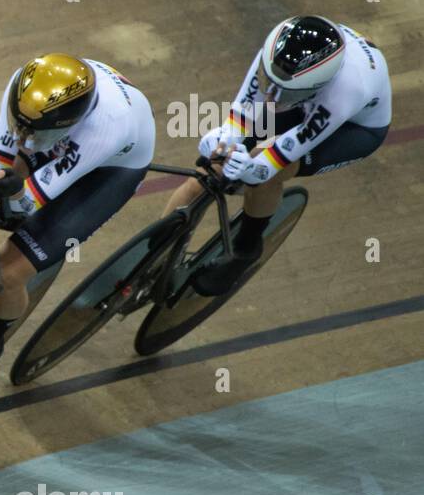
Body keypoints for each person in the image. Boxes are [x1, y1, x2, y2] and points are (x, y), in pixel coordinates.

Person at [0, 54, 155, 399]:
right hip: (59, 134)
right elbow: (4, 154)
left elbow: (26, 205)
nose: (21, 135)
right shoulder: (26, 88)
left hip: (109, 169)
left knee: (9, 271)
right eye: (19, 124)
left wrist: (14, 188)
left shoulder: (108, 127)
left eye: (29, 130)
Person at [163, 16, 392, 295]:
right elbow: (242, 112)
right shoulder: (276, 54)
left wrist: (250, 168)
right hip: (300, 98)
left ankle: (246, 250)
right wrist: (223, 139)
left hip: (352, 128)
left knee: (267, 175)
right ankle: (155, 254)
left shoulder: (346, 93)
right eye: (269, 82)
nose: (270, 97)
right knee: (209, 172)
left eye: (279, 91)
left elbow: (273, 160)